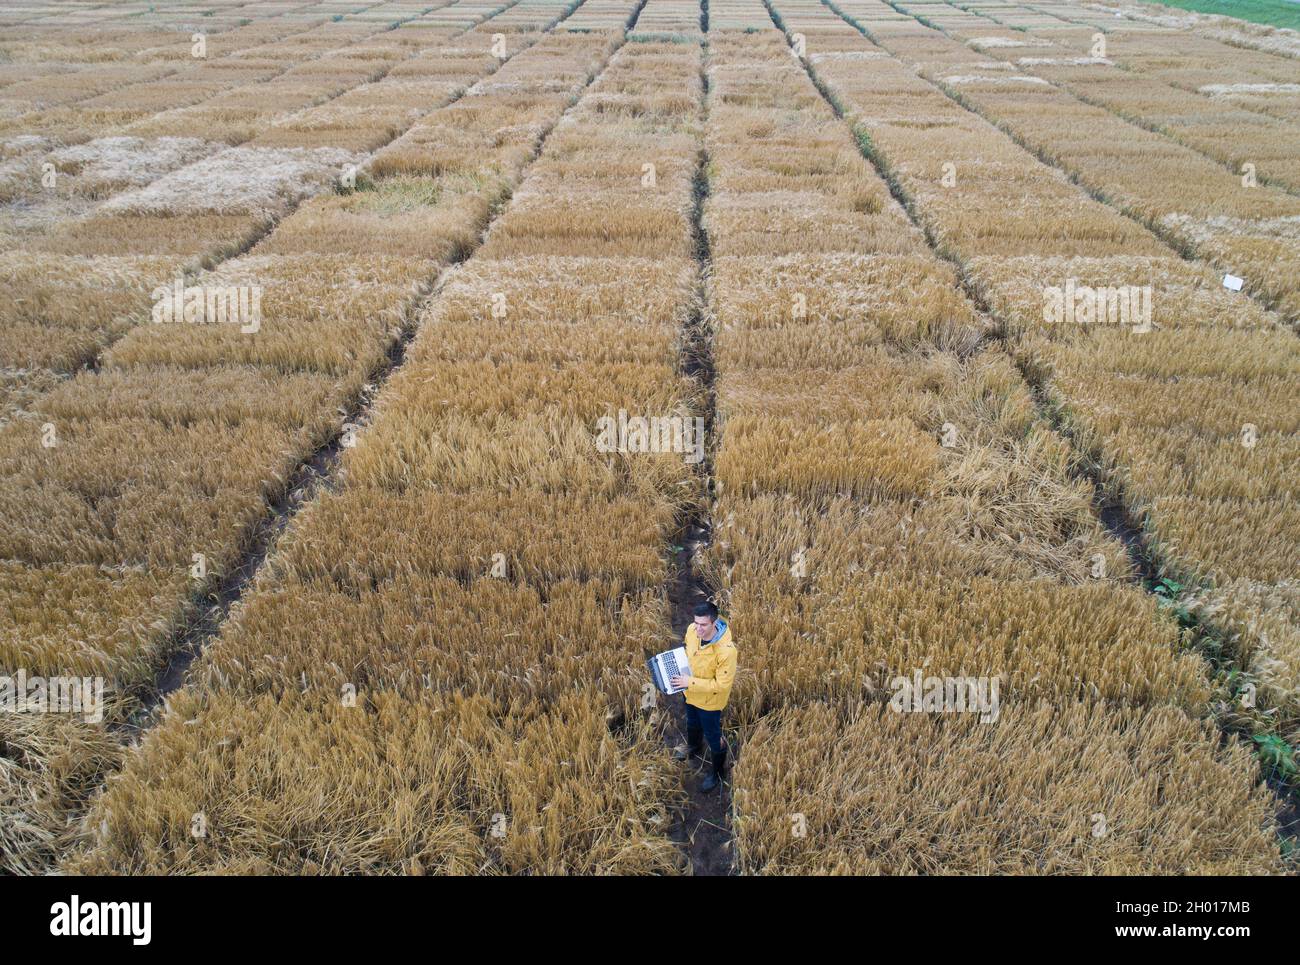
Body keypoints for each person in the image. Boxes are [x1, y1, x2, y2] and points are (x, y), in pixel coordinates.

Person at [670, 600, 737, 793]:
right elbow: (688, 651)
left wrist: (688, 682)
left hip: (710, 702)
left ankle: (717, 772)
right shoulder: (692, 630)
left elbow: (721, 685)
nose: (697, 628)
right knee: (691, 722)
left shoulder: (726, 652)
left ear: (714, 623)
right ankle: (694, 747)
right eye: (696, 623)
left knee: (713, 736)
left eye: (703, 625)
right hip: (689, 692)